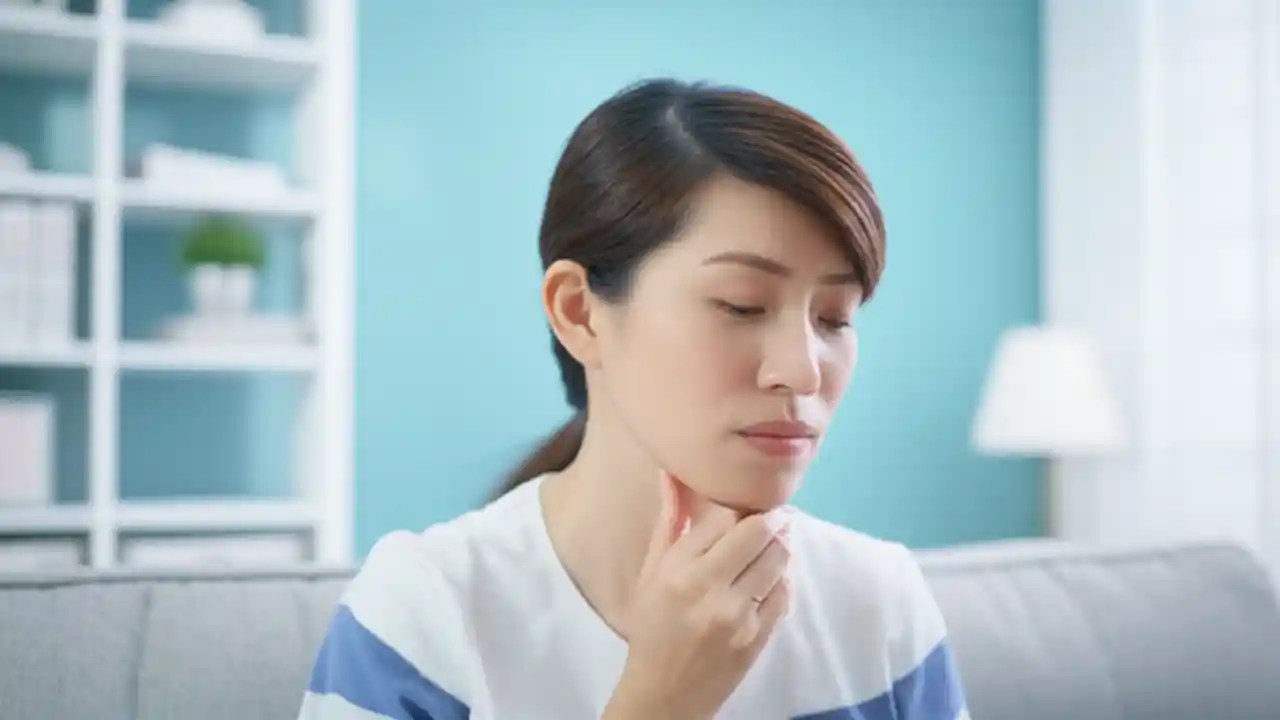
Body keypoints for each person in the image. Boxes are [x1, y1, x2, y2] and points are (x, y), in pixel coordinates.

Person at [299, 78, 970, 720]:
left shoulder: (879, 604)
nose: (802, 371)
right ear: (580, 313)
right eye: (741, 305)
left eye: (834, 318)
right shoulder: (425, 609)